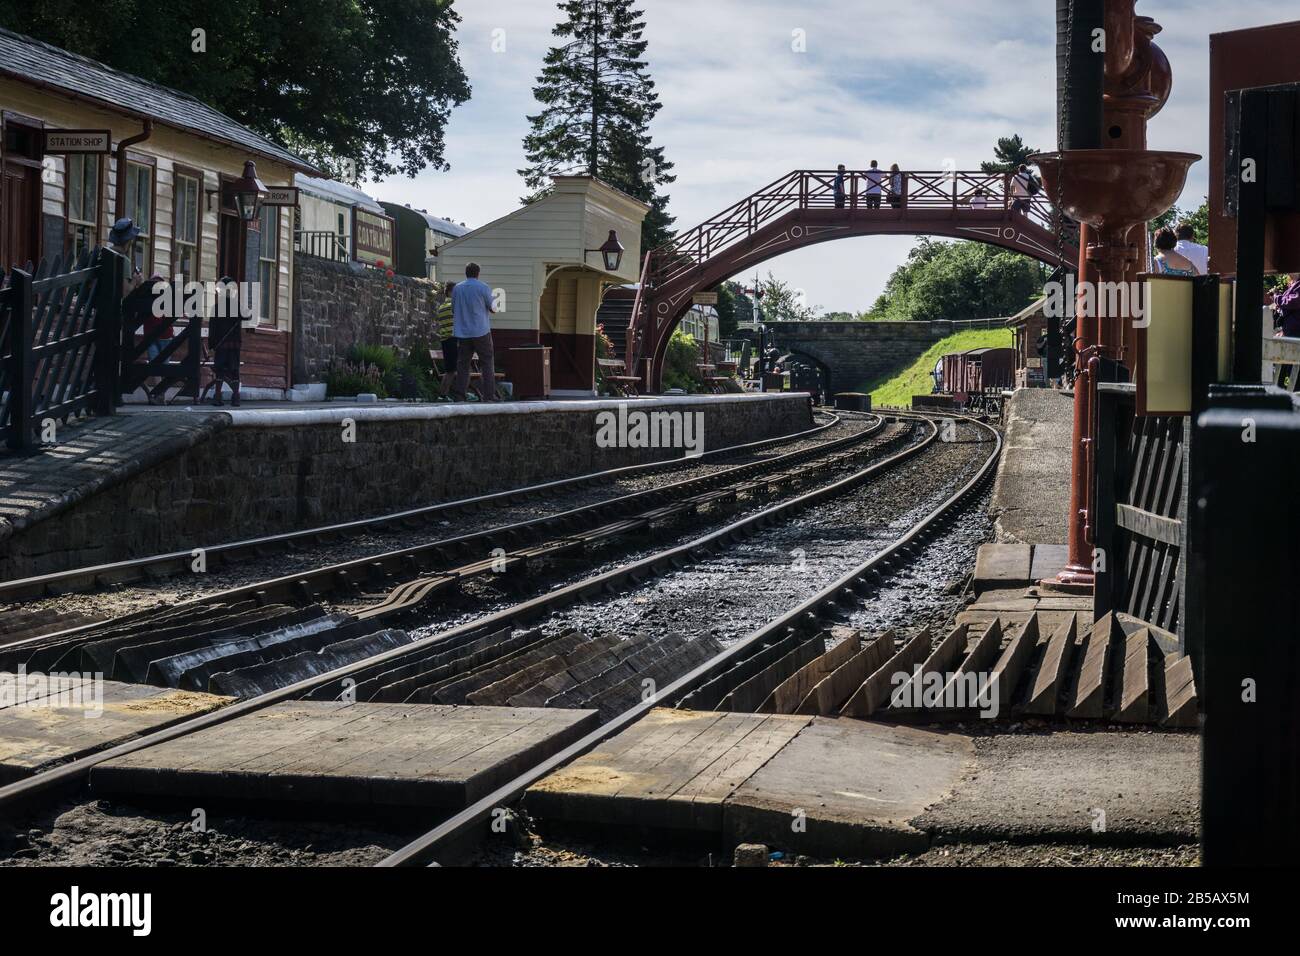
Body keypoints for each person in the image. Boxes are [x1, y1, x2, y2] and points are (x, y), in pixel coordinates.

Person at [451, 263, 498, 402]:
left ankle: (460, 395)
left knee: (463, 364)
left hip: (463, 332)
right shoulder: (483, 287)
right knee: (487, 363)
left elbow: (454, 309)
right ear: (478, 273)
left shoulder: (457, 289)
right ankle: (489, 396)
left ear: (466, 273)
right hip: (481, 331)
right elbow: (493, 308)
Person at [207, 276, 243, 407]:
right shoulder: (236, 307)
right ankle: (235, 397)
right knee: (234, 370)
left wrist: (211, 345)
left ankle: (218, 396)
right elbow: (248, 315)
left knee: (220, 370)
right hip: (233, 344)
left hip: (221, 344)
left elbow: (212, 329)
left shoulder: (217, 308)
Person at [108, 217, 145, 297]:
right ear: (129, 240)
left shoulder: (103, 254)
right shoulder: (122, 260)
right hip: (114, 308)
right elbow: (125, 292)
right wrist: (135, 280)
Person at [436, 281, 457, 398]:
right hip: (453, 339)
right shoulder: (453, 306)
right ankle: (447, 394)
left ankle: (442, 394)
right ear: (450, 292)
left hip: (444, 339)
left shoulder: (441, 307)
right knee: (454, 370)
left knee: (449, 370)